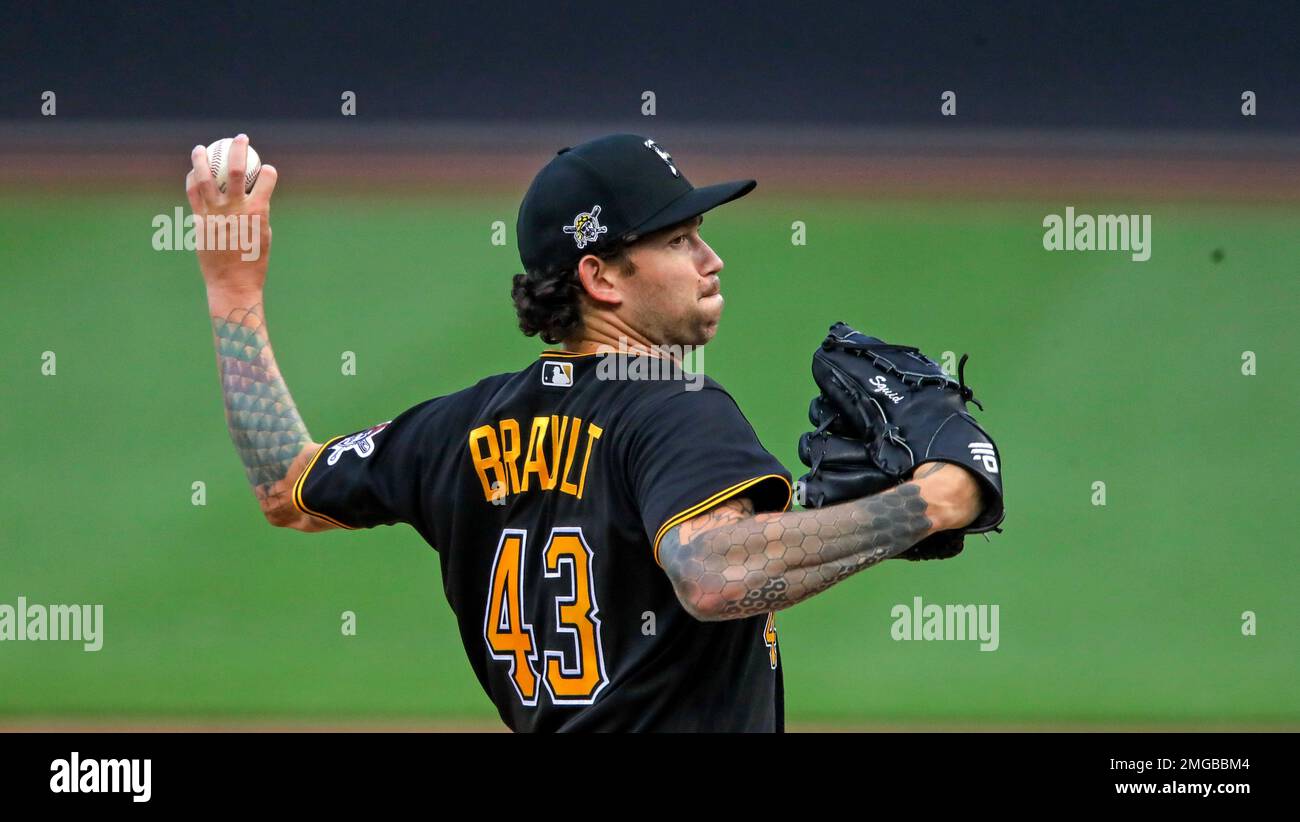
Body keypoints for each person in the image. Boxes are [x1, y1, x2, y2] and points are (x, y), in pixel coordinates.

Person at [187, 133, 984, 732]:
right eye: (677, 240)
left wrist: (231, 289)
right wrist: (932, 500)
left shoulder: (461, 427)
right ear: (600, 277)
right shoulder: (676, 406)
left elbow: (284, 484)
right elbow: (714, 575)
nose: (711, 260)